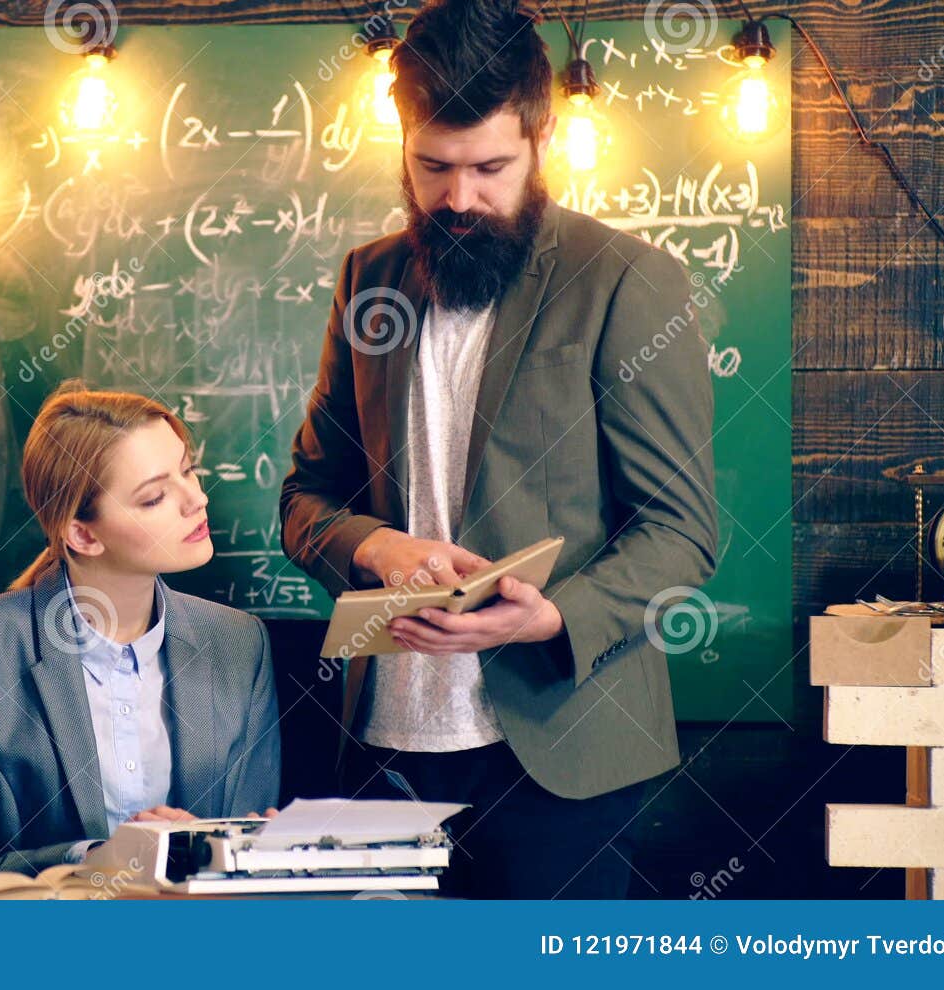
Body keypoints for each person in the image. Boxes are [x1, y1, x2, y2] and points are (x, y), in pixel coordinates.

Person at [279, 0, 719, 898]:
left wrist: (550, 616)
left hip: (566, 751)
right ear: (402, 143)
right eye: (432, 167)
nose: (460, 198)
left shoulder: (630, 281)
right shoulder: (369, 279)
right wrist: (374, 546)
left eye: (490, 167)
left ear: (542, 136)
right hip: (384, 746)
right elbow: (305, 497)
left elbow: (683, 532)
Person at [0, 382, 280, 876]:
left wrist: (244, 845)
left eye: (189, 471)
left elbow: (244, 849)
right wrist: (94, 857)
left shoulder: (239, 642)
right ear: (82, 534)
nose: (197, 500)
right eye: (155, 497)